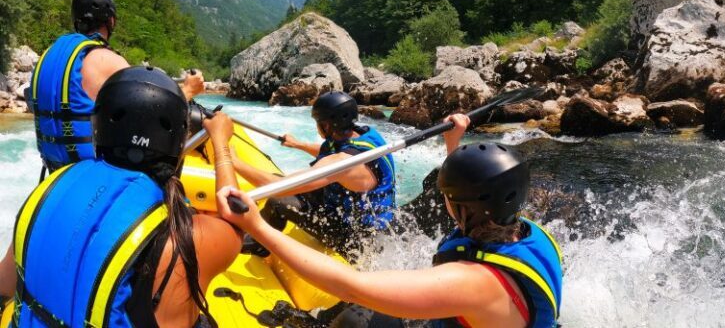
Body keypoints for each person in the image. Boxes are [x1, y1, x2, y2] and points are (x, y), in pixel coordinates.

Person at [217, 114, 563, 328]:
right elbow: (474, 196)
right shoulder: (531, 233)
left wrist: (256, 226)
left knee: (355, 317)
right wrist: (453, 143)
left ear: (462, 207)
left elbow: (351, 285)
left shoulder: (471, 282)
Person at [0, 66, 242, 327]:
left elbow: (5, 283)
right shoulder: (184, 241)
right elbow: (236, 219)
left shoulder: (47, 191)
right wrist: (220, 141)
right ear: (176, 145)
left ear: (98, 128)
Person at [27, 0, 205, 174]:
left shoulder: (46, 58)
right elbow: (145, 115)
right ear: (111, 21)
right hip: (92, 174)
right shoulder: (107, 60)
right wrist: (187, 92)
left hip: (54, 171)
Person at [232, 91, 395, 257]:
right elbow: (334, 151)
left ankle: (258, 245)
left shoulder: (342, 165)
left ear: (327, 126)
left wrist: (234, 162)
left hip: (357, 238)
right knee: (282, 179)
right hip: (362, 218)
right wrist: (299, 145)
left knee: (278, 201)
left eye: (318, 123)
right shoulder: (364, 134)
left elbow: (277, 188)